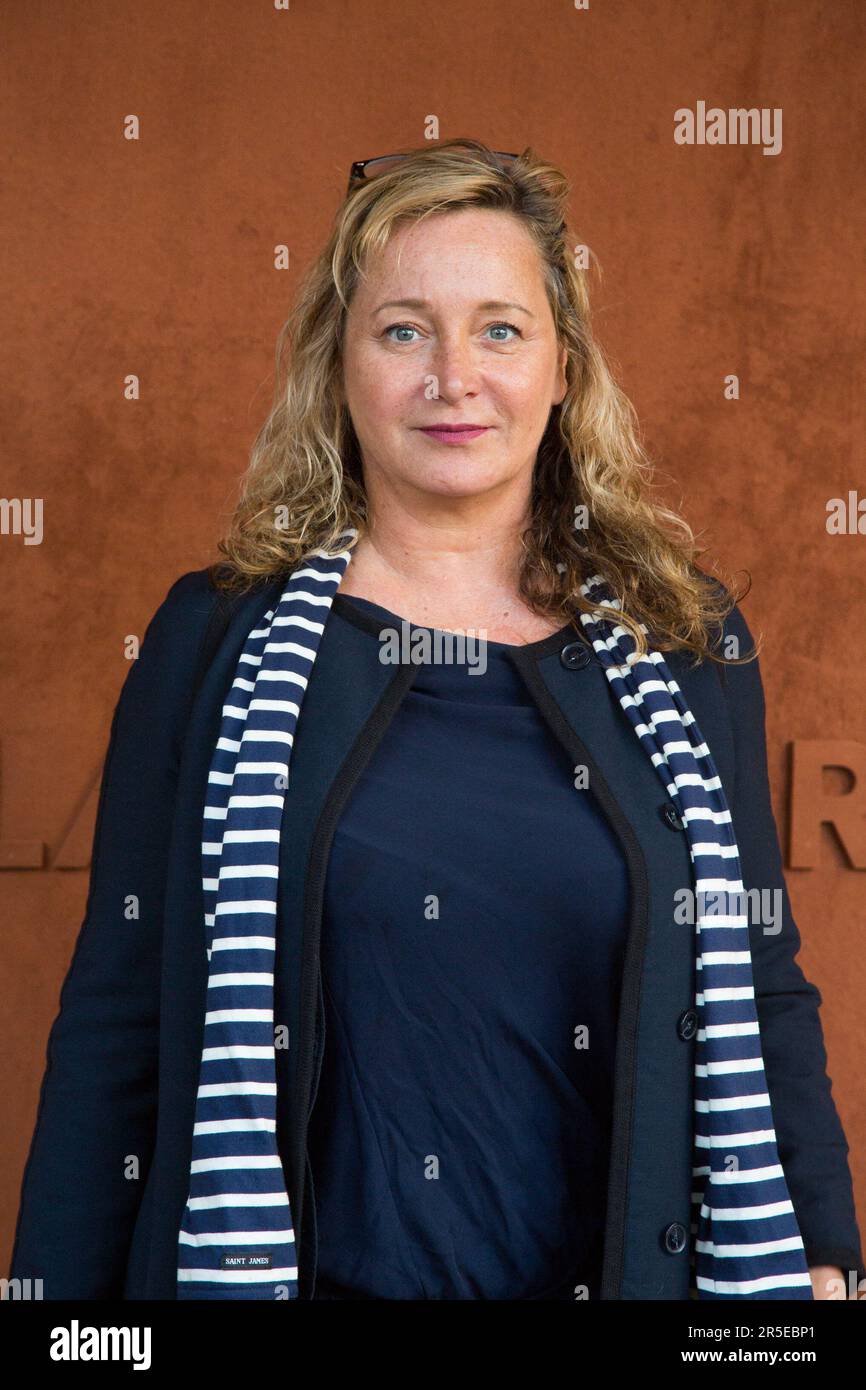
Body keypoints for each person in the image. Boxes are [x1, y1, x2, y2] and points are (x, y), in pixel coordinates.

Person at [9, 139, 863, 1301]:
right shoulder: (213, 641)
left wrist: (819, 1259)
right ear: (340, 366)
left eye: (500, 329)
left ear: (563, 368)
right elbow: (119, 1010)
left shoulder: (683, 641)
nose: (452, 375)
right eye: (402, 328)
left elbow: (759, 979)